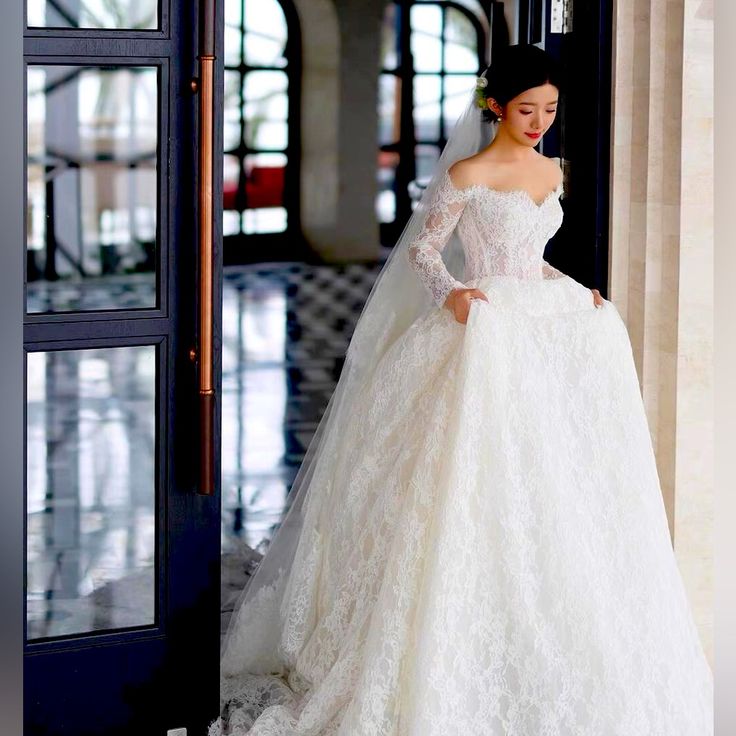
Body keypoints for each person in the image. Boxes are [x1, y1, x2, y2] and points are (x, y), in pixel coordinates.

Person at [210, 44, 713, 735]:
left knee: (544, 482)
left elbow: (533, 261)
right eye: (528, 108)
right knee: (457, 483)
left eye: (551, 110)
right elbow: (422, 248)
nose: (540, 121)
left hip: (534, 328)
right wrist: (454, 298)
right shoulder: (468, 172)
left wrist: (575, 290)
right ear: (496, 105)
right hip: (479, 328)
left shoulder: (551, 169)